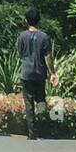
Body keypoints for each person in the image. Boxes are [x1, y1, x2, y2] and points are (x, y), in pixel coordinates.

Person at [16, 8, 57, 140]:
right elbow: (48, 56)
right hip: (40, 73)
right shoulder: (44, 37)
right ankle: (41, 117)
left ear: (26, 20)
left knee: (28, 103)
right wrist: (53, 73)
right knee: (40, 99)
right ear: (39, 20)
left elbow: (19, 54)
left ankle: (32, 133)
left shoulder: (22, 36)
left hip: (26, 73)